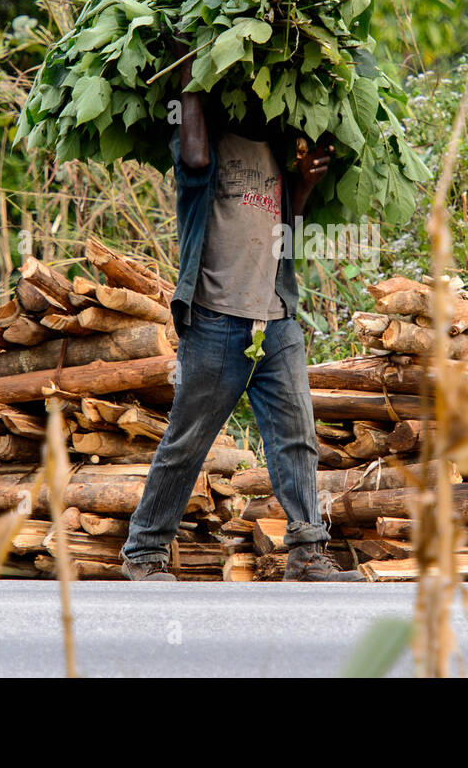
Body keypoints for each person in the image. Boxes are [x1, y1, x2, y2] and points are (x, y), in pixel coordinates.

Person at [119, 45, 365, 582]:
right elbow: (196, 153)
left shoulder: (280, 149)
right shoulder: (199, 147)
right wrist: (187, 64)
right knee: (187, 440)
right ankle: (143, 552)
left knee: (296, 434)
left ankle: (305, 552)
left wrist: (305, 180)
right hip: (215, 321)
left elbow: (288, 232)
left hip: (275, 318)